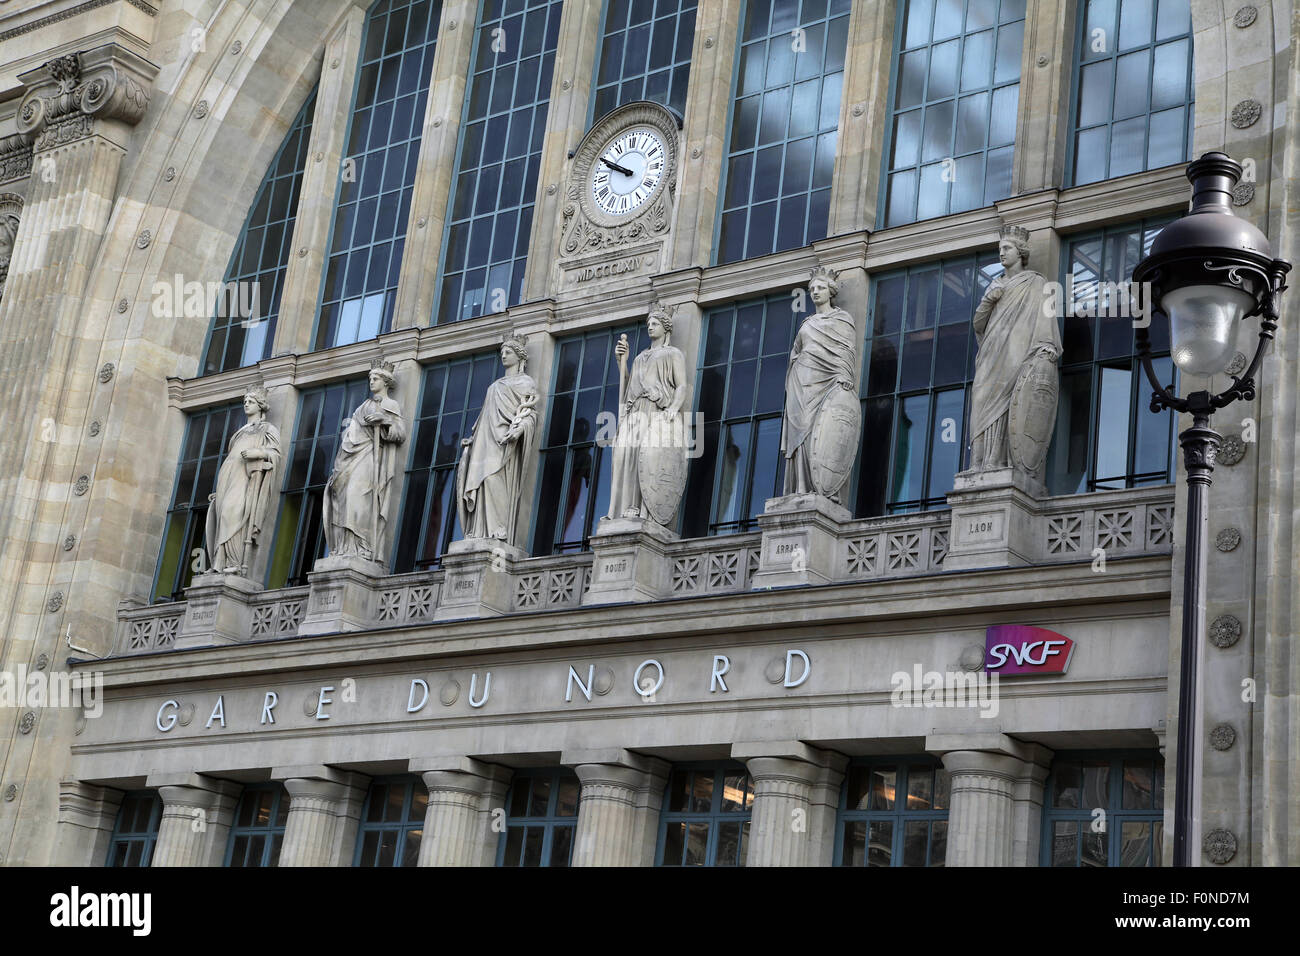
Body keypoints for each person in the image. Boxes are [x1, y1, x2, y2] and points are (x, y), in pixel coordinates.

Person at [969, 226, 1061, 475]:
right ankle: (977, 463)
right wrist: (989, 300)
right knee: (980, 401)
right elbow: (978, 324)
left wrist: (1045, 346)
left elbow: (1045, 318)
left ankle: (994, 462)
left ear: (1020, 253)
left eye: (1006, 248)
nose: (1001, 254)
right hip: (990, 353)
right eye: (1000, 249)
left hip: (1016, 352)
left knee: (1008, 403)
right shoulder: (994, 285)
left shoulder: (1036, 282)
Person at [781, 266, 857, 499]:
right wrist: (797, 363)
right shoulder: (806, 323)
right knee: (801, 430)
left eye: (821, 288)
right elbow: (795, 352)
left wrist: (844, 374)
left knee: (818, 428)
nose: (815, 292)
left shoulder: (843, 319)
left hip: (828, 381)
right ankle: (801, 487)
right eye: (812, 288)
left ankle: (820, 486)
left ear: (830, 292)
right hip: (801, 381)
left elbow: (847, 351)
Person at [607, 302, 687, 522]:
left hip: (655, 411)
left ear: (666, 327)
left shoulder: (673, 354)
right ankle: (625, 507)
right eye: (648, 323)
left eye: (655, 323)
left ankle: (641, 508)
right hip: (635, 412)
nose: (650, 327)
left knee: (647, 458)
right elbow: (628, 386)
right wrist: (620, 362)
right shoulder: (639, 357)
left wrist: (672, 409)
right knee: (628, 458)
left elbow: (681, 386)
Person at [456, 332, 538, 547]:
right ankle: (479, 530)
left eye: (508, 352)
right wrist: (472, 438)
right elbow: (484, 415)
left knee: (495, 480)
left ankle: (497, 529)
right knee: (481, 482)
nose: (504, 356)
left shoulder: (525, 383)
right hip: (484, 440)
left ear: (519, 357)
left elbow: (530, 414)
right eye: (502, 352)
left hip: (503, 440)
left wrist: (519, 431)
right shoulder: (495, 385)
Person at [323, 359, 407, 563]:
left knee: (356, 497)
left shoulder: (390, 405)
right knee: (343, 501)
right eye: (370, 378)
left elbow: (400, 433)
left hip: (370, 457)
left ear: (385, 382)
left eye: (376, 378)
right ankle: (345, 547)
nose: (372, 382)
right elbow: (351, 433)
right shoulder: (364, 406)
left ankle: (362, 546)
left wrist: (385, 420)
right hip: (351, 457)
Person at [205, 386, 282, 575]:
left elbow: (275, 454)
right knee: (222, 514)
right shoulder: (240, 432)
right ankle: (219, 563)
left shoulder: (267, 429)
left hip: (245, 477)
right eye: (245, 402)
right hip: (228, 474)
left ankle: (234, 561)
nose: (246, 404)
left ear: (260, 405)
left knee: (232, 513)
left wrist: (259, 452)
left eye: (251, 401)